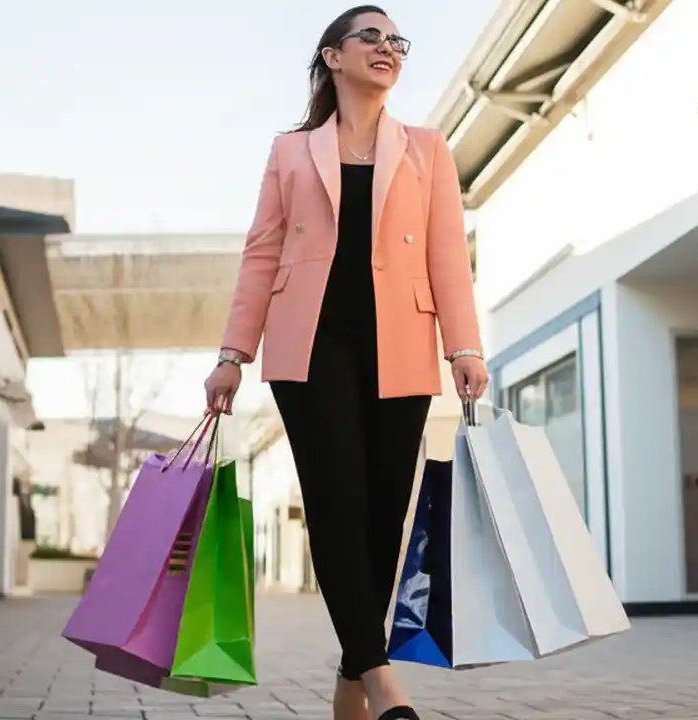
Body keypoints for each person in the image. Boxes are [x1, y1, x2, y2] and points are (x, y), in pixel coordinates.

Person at [203, 6, 488, 720]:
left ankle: (350, 674)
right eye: (372, 37)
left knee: (383, 520)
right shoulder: (291, 151)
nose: (388, 48)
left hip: (403, 347)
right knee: (336, 504)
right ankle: (383, 682)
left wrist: (465, 345)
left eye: (397, 40)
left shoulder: (427, 148)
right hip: (311, 347)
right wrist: (232, 354)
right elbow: (261, 253)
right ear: (333, 57)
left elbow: (447, 255)